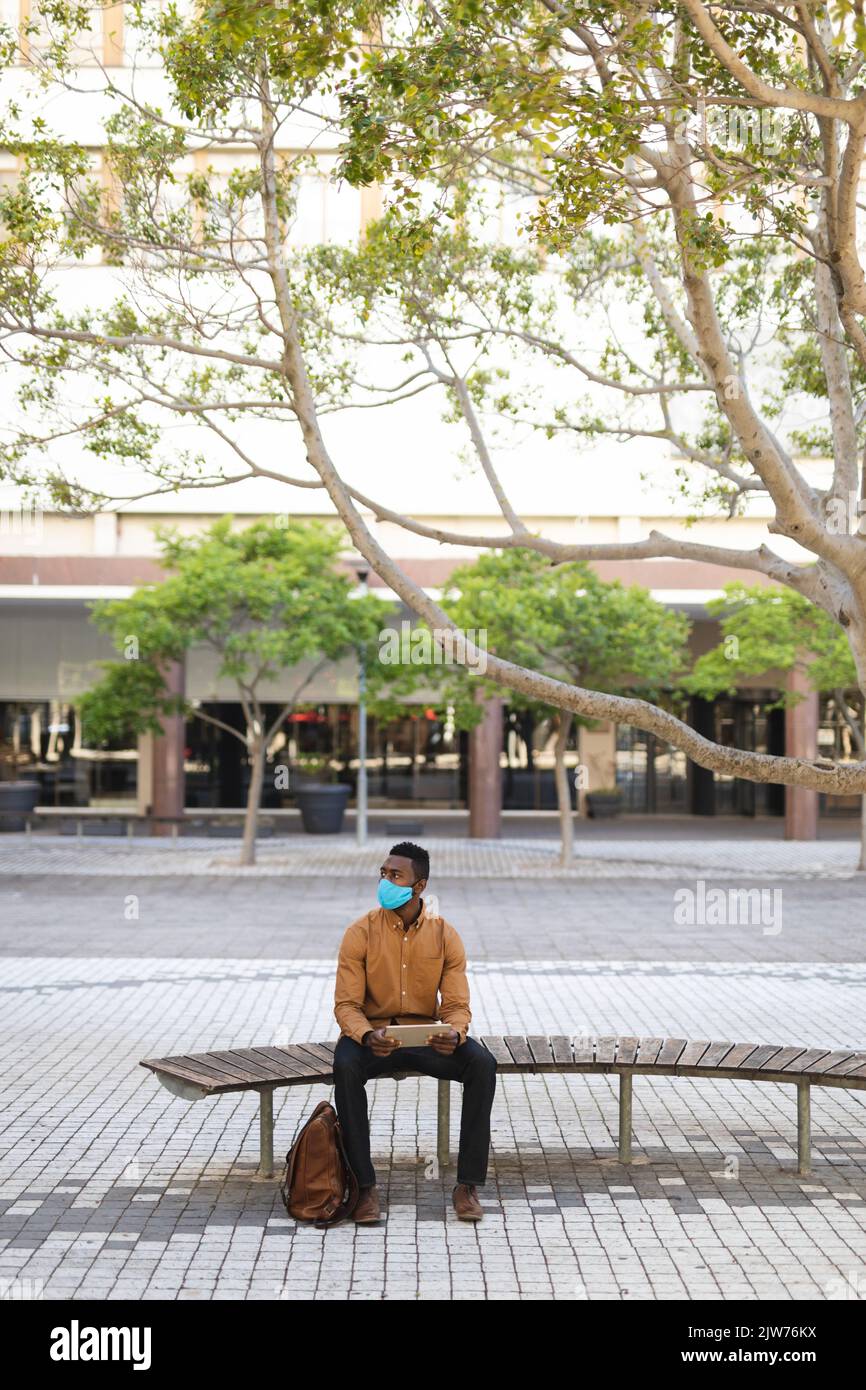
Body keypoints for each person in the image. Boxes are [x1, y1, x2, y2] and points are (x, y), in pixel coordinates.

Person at [332, 841, 497, 1223]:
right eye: (383, 874)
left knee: (481, 1064)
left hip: (427, 1038)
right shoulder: (360, 933)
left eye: (395, 876)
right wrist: (364, 1035)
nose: (385, 881)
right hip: (374, 1037)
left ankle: (467, 1185)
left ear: (418, 886)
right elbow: (346, 1006)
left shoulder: (444, 935)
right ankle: (364, 1188)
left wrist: (454, 1033)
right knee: (345, 1066)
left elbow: (456, 1004)